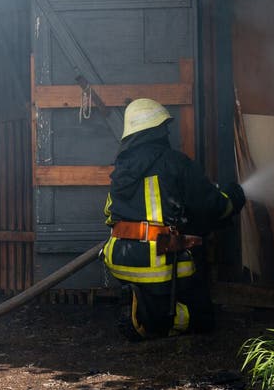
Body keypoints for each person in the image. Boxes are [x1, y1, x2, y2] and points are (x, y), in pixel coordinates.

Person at [103, 97, 246, 339]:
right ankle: (149, 319)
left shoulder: (121, 168)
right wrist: (233, 197)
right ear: (157, 131)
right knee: (202, 319)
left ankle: (142, 300)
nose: (168, 132)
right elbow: (210, 206)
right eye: (165, 127)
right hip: (156, 262)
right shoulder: (174, 163)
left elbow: (109, 214)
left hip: (119, 258)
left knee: (167, 288)